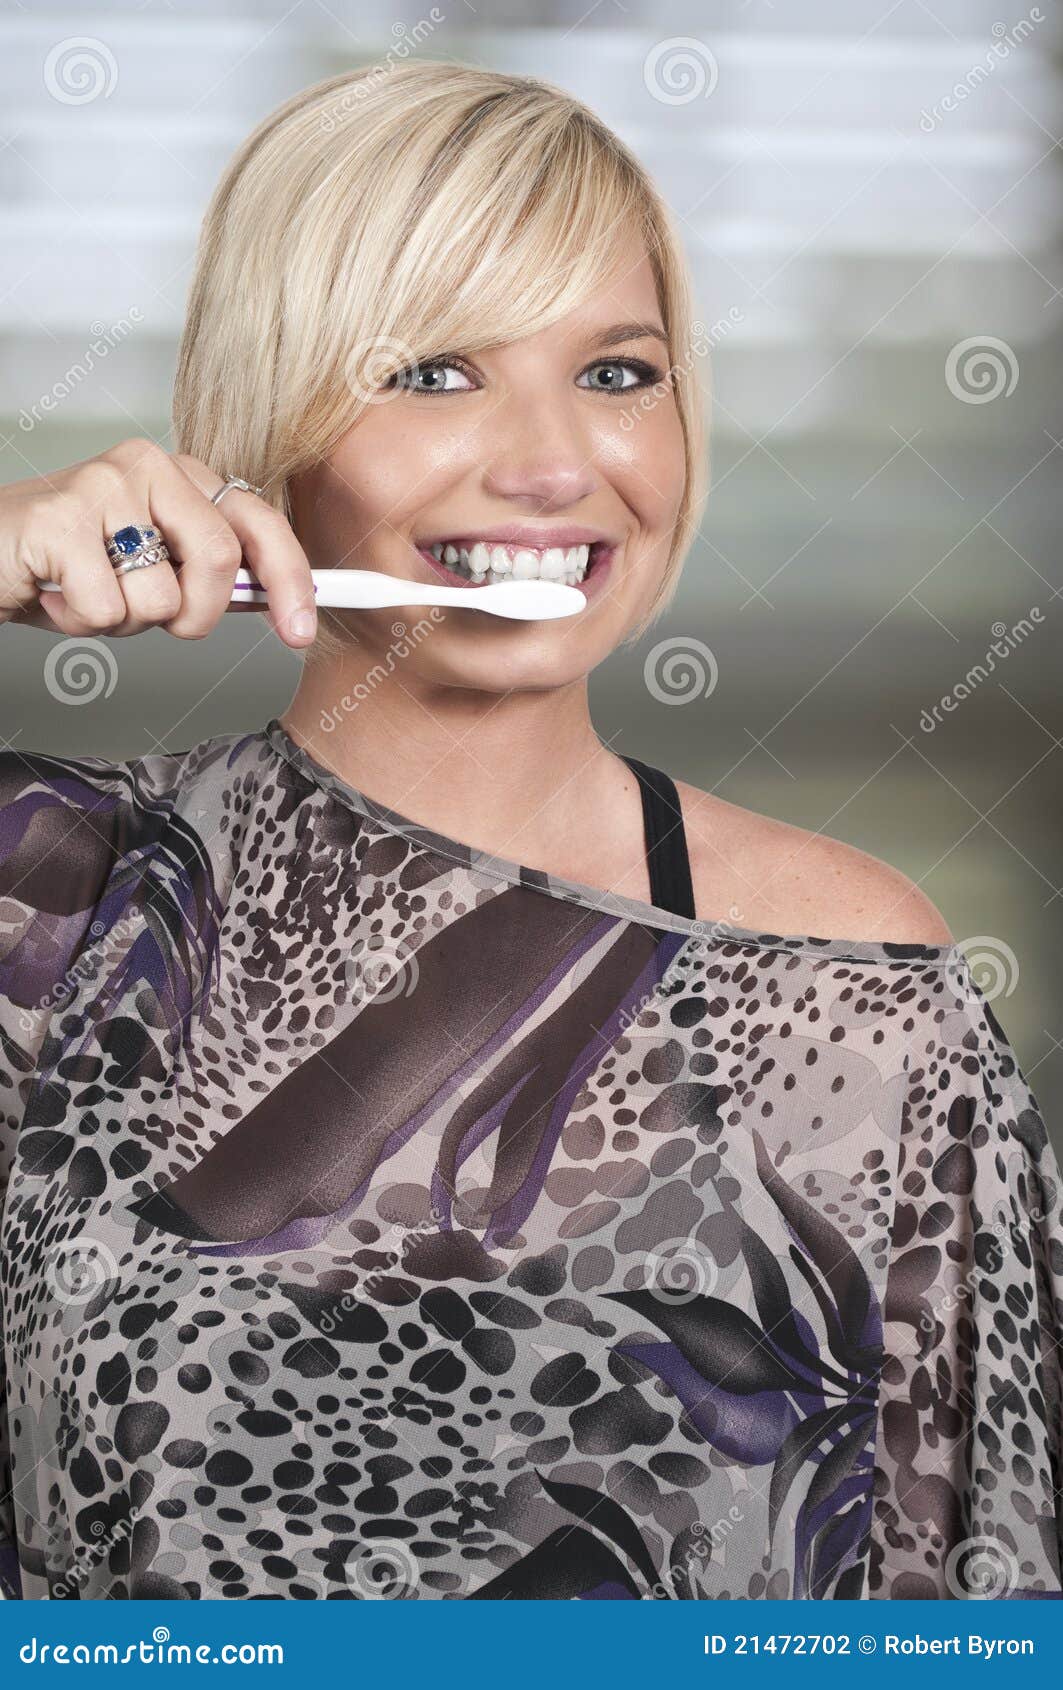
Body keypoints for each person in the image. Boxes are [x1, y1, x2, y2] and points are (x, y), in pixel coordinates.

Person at [0, 60, 1059, 1603]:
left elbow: (964, 1599)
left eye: (619, 372)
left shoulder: (857, 978)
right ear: (268, 420)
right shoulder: (54, 892)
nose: (557, 463)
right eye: (434, 371)